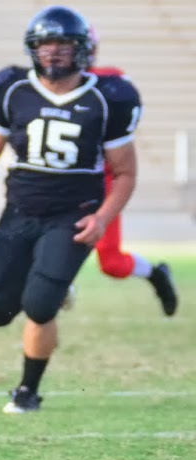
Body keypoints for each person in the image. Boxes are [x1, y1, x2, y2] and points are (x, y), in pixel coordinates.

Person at [0, 6, 141, 415]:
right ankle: (53, 284)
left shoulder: (108, 98)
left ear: (83, 50)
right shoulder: (11, 90)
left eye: (64, 44)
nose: (54, 52)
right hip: (20, 211)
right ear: (33, 49)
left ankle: (27, 392)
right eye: (46, 44)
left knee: (40, 305)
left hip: (73, 214)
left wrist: (102, 218)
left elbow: (126, 172)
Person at [83, 29, 177, 316]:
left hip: (104, 181)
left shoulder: (111, 84)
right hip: (60, 182)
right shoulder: (42, 87)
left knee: (111, 263)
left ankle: (156, 274)